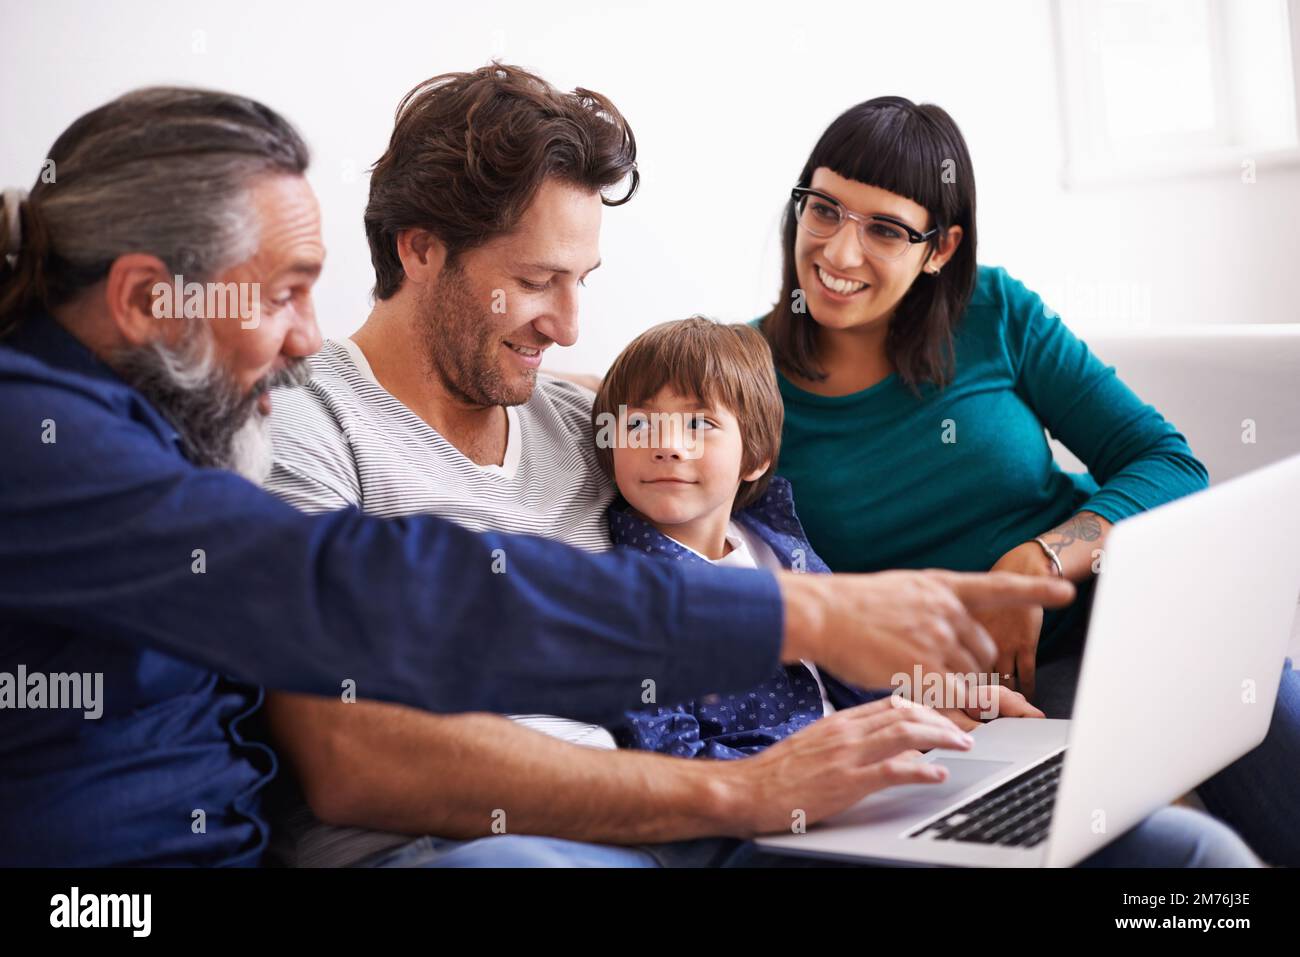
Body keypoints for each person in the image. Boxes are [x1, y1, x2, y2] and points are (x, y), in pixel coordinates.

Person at [0, 79, 1072, 868]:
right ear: (421, 251)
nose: (568, 326)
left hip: (691, 815)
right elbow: (376, 607)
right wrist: (776, 691)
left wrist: (916, 682)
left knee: (1159, 848)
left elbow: (734, 474)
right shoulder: (156, 442)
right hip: (502, 849)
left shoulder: (586, 414)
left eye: (583, 280)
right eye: (534, 281)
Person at [755, 94, 1299, 865]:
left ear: (940, 248)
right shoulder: (743, 375)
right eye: (825, 209)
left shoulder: (992, 310)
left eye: (885, 229)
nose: (840, 253)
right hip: (984, 702)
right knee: (1190, 855)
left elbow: (1168, 462)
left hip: (1130, 621)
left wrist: (1038, 560)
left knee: (1263, 706)